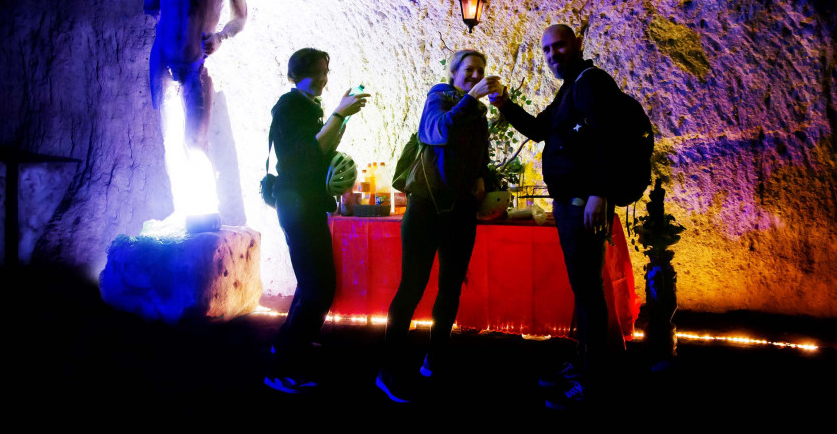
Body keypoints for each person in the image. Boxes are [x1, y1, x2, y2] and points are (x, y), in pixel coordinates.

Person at [489, 24, 619, 409]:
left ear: (577, 45)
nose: (552, 54)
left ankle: (592, 381)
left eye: (558, 46)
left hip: (582, 203)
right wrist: (503, 103)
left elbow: (606, 139)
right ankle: (584, 364)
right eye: (546, 50)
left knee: (589, 291)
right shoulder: (571, 86)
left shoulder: (591, 82)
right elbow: (539, 128)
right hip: (571, 203)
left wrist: (599, 193)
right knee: (584, 289)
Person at [375, 50, 503, 403]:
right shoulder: (439, 97)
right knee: (412, 286)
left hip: (460, 210)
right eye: (469, 70)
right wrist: (472, 98)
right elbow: (435, 132)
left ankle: (435, 357)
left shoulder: (477, 112)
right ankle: (388, 368)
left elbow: (479, 154)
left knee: (450, 288)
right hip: (426, 207)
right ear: (453, 73)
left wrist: (481, 176)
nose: (475, 75)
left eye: (480, 71)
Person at [264, 48, 370, 394]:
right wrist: (340, 114)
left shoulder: (308, 105)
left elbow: (321, 148)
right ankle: (280, 369)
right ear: (300, 72)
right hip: (297, 204)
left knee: (313, 284)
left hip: (303, 203)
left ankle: (288, 344)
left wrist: (341, 114)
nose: (325, 77)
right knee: (317, 286)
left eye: (327, 70)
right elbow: (307, 156)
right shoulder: (290, 106)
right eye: (320, 71)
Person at [143, 0, 248, 153]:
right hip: (162, 56)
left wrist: (220, 36)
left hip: (195, 62)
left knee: (195, 140)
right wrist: (175, 20)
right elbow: (150, 6)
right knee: (166, 137)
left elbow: (241, 16)